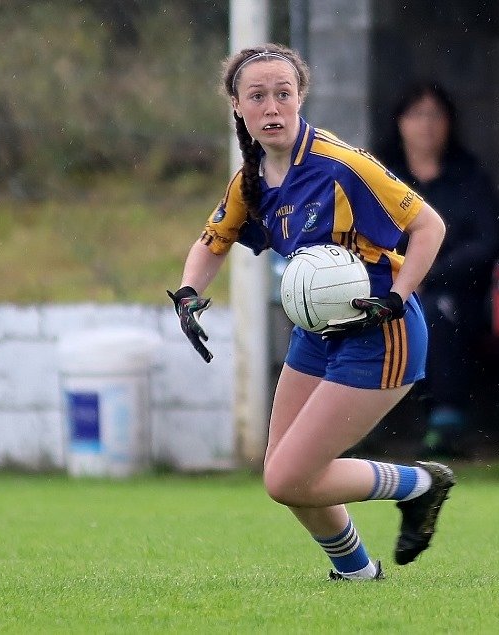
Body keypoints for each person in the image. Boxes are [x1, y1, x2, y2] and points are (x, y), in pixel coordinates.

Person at [167, 43, 453, 580]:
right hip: (317, 332)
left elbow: (428, 226)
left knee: (287, 478)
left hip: (380, 330)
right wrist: (187, 294)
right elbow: (213, 241)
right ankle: (357, 574)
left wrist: (397, 296)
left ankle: (420, 484)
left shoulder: (341, 165)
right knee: (287, 473)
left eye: (283, 93)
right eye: (257, 96)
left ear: (301, 97)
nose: (272, 107)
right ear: (237, 106)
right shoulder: (252, 179)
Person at [376, 81, 499, 459]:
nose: (426, 124)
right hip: (390, 287)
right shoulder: (382, 178)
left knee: (437, 310)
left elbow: (486, 241)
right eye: (417, 114)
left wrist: (430, 274)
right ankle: (357, 427)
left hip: (458, 290)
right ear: (399, 122)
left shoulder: (469, 178)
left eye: (435, 115)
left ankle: (446, 420)